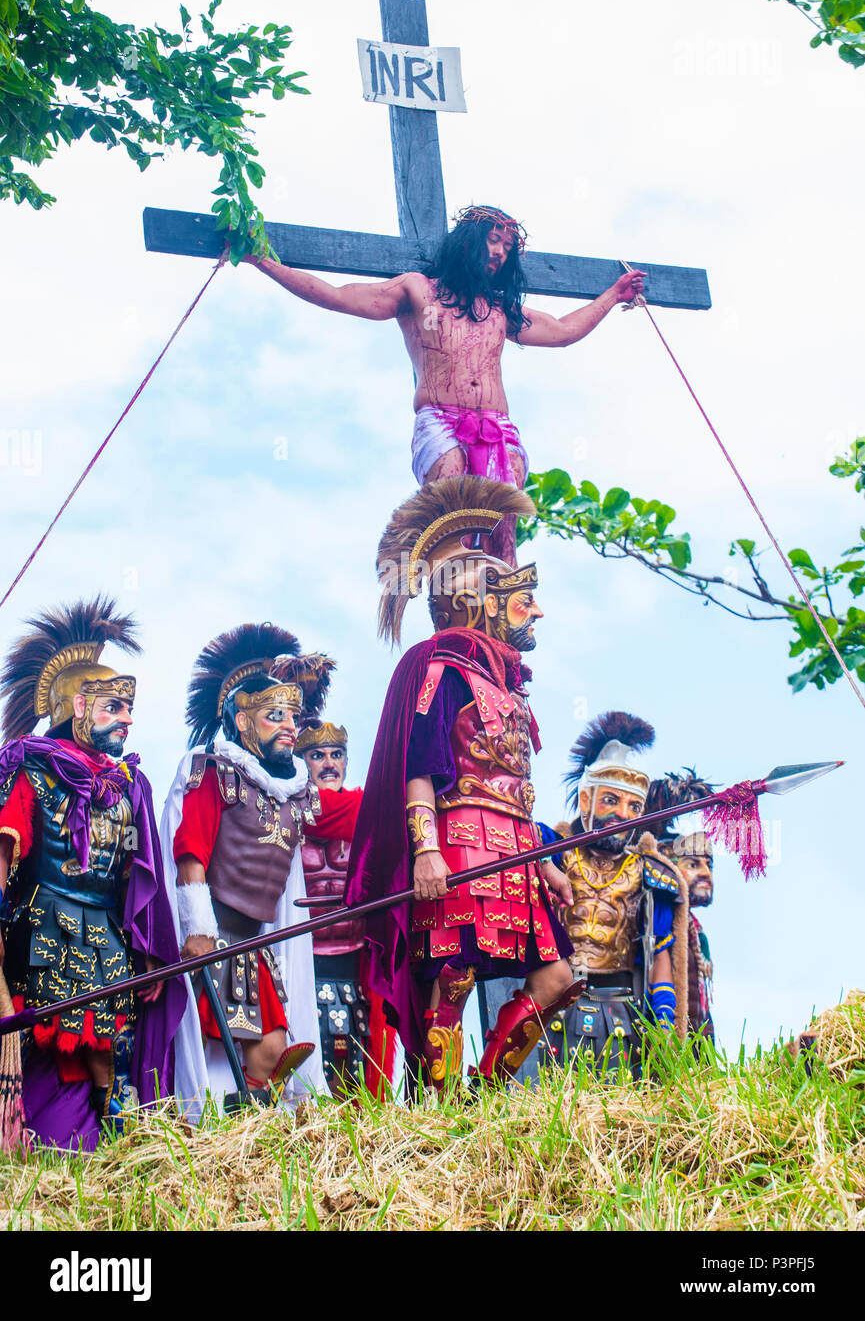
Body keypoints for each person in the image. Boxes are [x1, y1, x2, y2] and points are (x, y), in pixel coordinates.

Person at [344, 475, 579, 1094]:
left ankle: (485, 1086)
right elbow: (416, 768)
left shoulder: (510, 686)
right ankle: (438, 1110)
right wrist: (425, 850)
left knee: (557, 977)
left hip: (515, 852)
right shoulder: (440, 668)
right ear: (478, 601)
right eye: (522, 599)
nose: (536, 611)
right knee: (451, 980)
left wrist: (546, 863)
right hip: (457, 845)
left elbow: (515, 791)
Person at [243, 205, 645, 563]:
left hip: (496, 426)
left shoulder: (500, 309)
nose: (500, 252)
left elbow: (562, 330)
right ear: (468, 243)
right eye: (493, 240)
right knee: (453, 510)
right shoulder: (418, 290)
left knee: (503, 530)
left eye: (507, 248)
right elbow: (336, 295)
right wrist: (263, 260)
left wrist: (614, 294)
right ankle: (447, 600)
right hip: (440, 419)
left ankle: (500, 620)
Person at [0, 598, 183, 1148]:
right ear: (77, 706)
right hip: (42, 929)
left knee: (107, 1054)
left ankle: (112, 1148)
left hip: (106, 935)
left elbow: (138, 871)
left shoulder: (128, 784)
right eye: (114, 706)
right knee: (47, 1044)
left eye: (129, 708)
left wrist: (150, 946)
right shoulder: (29, 765)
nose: (128, 718)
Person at [160, 624, 330, 1115]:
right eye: (274, 716)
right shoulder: (214, 772)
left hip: (256, 947)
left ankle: (248, 1129)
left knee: (273, 1051)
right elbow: (190, 847)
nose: (289, 726)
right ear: (242, 721)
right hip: (212, 939)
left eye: (292, 716)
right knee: (225, 1056)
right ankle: (217, 1131)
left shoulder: (293, 795)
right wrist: (196, 930)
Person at [539, 713, 687, 1077]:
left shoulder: (651, 875)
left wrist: (665, 1023)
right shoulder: (552, 853)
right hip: (551, 1005)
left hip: (621, 1013)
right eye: (611, 801)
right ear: (586, 799)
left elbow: (659, 951)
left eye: (633, 807)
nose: (622, 815)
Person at [295, 720, 395, 1096]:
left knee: (360, 1072)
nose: (328, 763)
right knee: (305, 1075)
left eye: (336, 754)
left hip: (356, 961)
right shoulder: (285, 812)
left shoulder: (370, 814)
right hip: (303, 961)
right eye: (317, 755)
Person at [645, 771, 715, 1042]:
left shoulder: (696, 930)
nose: (707, 873)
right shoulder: (659, 918)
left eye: (709, 864)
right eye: (694, 864)